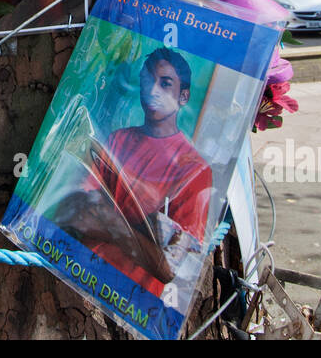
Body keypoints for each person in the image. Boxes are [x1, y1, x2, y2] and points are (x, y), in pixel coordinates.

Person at [51, 48, 213, 297]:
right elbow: (74, 210)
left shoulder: (194, 171)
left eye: (165, 83)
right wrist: (137, 233)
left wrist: (108, 220)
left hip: (131, 298)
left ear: (183, 96)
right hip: (77, 273)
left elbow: (169, 265)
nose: (153, 90)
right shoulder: (118, 139)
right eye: (147, 80)